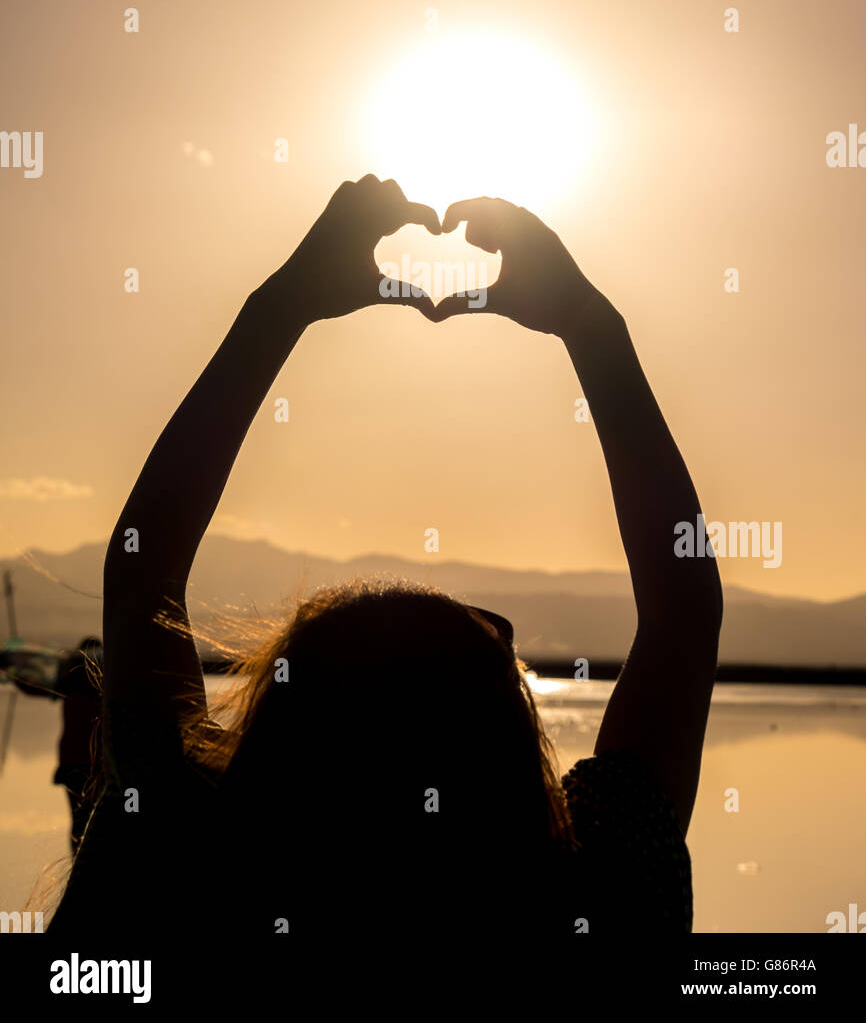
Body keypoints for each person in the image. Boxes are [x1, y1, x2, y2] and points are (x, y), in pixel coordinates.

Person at [47, 175, 722, 972]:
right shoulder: (592, 901)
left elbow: (141, 577)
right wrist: (589, 324)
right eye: (489, 639)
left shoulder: (191, 867)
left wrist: (285, 303)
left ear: (280, 722)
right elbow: (683, 619)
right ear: (503, 741)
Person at [52, 636, 103, 854]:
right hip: (96, 763)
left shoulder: (68, 684)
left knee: (78, 818)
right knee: (99, 817)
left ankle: (78, 863)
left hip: (71, 761)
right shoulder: (105, 688)